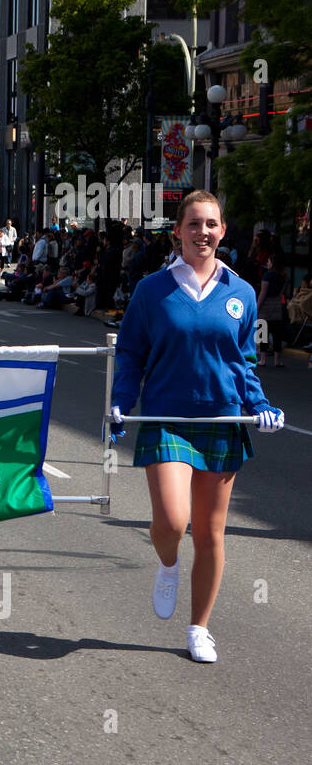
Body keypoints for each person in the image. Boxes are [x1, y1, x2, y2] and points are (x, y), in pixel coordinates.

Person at [110, 190, 284, 663]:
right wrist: (122, 403)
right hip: (167, 417)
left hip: (223, 417)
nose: (202, 232)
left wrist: (261, 404)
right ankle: (168, 564)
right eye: (193, 224)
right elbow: (130, 354)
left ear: (222, 231)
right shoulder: (152, 290)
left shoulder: (242, 292)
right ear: (178, 232)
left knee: (209, 534)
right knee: (171, 521)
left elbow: (244, 361)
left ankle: (199, 627)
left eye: (211, 224)